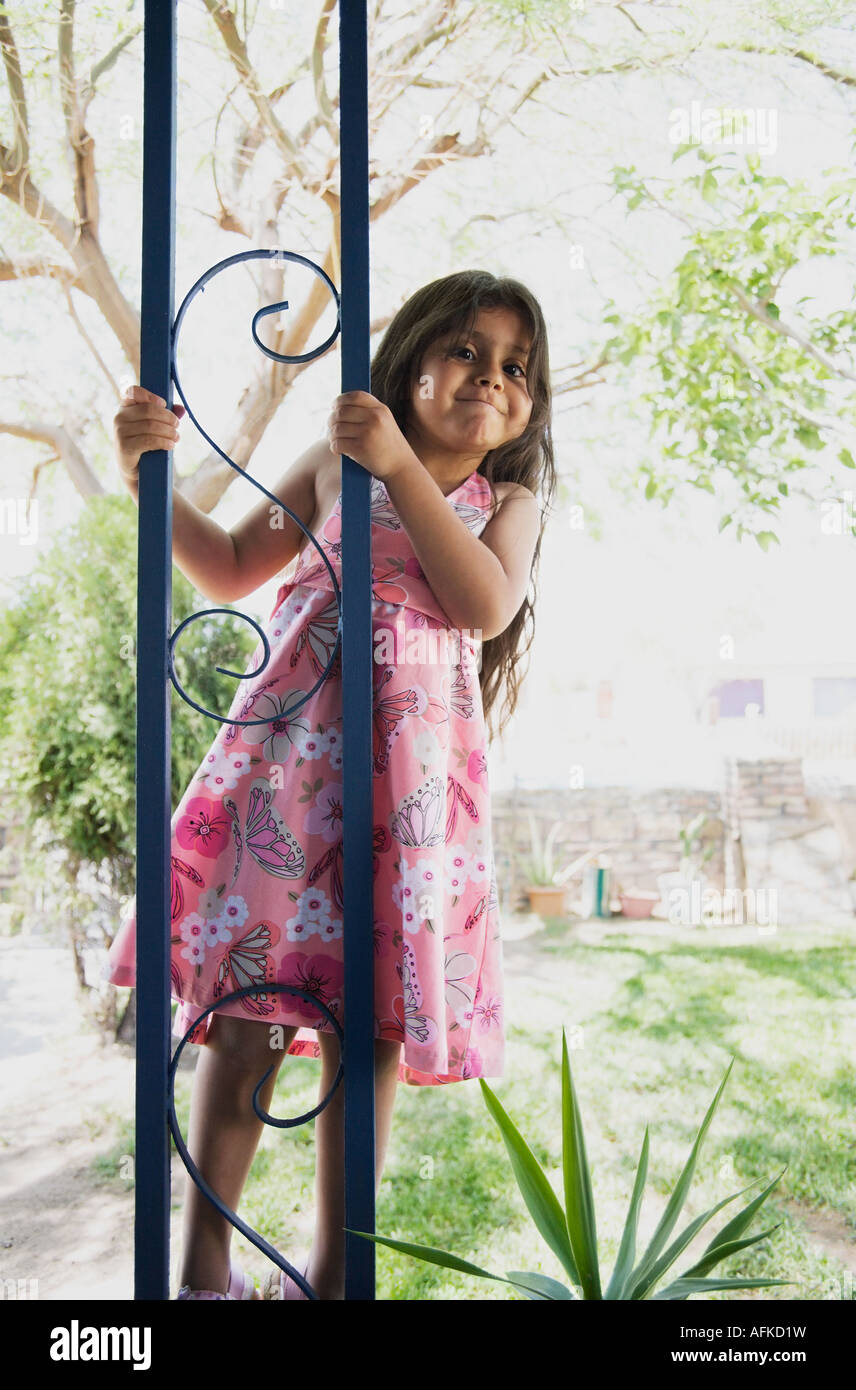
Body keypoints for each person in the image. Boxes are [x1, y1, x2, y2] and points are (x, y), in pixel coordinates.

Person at [105, 268, 556, 1300]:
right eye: (466, 351)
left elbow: (480, 604)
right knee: (257, 1007)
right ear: (408, 365)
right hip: (289, 784)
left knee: (374, 1026)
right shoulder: (328, 469)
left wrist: (397, 467)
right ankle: (203, 1270)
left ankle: (333, 1276)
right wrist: (152, 480)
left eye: (515, 368)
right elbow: (222, 568)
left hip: (410, 808)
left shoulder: (507, 503)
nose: (491, 378)